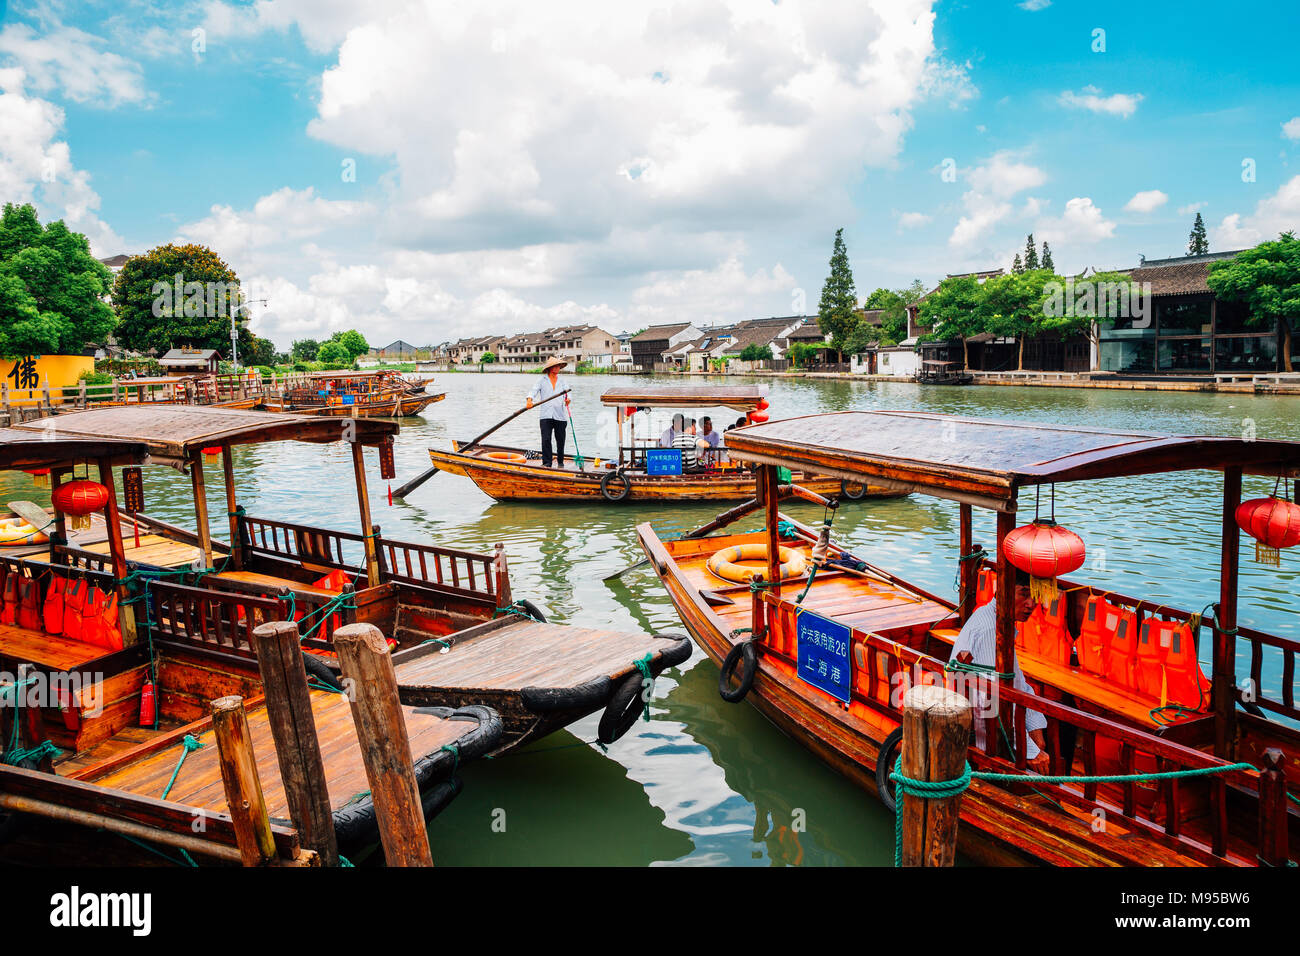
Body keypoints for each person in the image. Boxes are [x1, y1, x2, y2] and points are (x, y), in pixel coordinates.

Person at [950, 570, 1049, 773]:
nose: (1031, 604)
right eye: (1024, 594)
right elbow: (989, 703)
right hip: (987, 744)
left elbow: (1021, 686)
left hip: (1003, 730)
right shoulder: (989, 630)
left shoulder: (1000, 623)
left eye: (1036, 597)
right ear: (1003, 591)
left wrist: (1036, 730)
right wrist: (1030, 751)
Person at [525, 356, 571, 467]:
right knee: (546, 439)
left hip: (560, 415)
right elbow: (533, 391)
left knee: (560, 440)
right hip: (546, 415)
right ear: (550, 368)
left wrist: (568, 399)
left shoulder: (562, 381)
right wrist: (530, 400)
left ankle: (560, 462)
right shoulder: (542, 380)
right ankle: (547, 463)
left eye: (559, 366)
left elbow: (568, 393)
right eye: (555, 366)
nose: (558, 368)